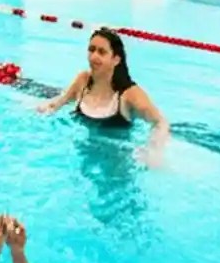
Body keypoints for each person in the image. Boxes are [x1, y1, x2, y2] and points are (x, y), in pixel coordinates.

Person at [37, 27, 170, 165]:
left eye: (102, 52)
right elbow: (58, 103)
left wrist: (153, 151)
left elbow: (160, 122)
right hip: (83, 154)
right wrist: (43, 110)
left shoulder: (129, 93)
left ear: (116, 59)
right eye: (91, 49)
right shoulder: (82, 81)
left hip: (116, 162)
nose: (94, 56)